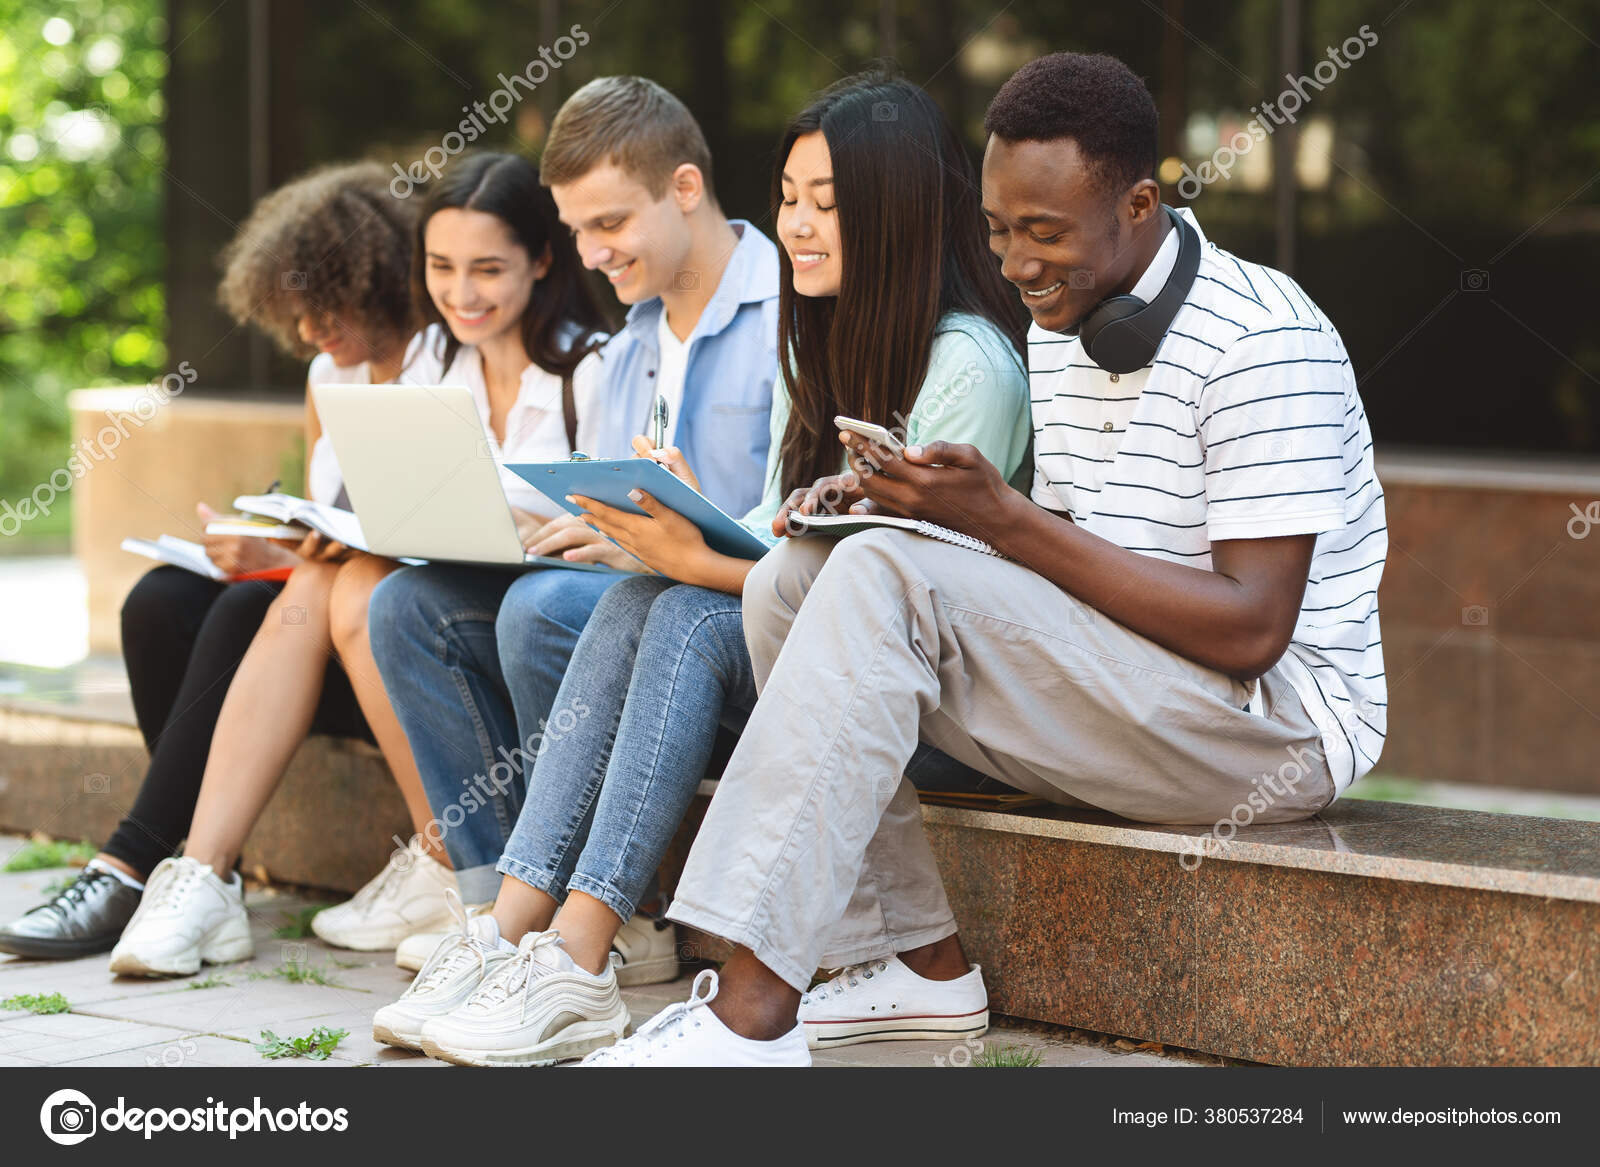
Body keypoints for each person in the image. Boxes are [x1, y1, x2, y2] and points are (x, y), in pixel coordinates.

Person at [594, 50, 1389, 1066]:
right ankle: (918, 966)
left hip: (1272, 734)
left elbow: (1248, 630)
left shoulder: (1262, 342)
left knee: (879, 571)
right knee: (799, 575)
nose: (1016, 265)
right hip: (1132, 683)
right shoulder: (1065, 322)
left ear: (1140, 204)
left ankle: (751, 1016)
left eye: (1045, 233)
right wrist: (911, 506)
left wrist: (998, 521)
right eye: (1000, 231)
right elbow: (1056, 568)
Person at [370, 72, 1033, 1067]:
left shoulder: (969, 370)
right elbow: (789, 527)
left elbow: (893, 598)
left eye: (827, 203)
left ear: (897, 211)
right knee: (642, 595)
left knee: (672, 609)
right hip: (818, 668)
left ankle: (576, 954)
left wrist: (697, 554)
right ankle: (518, 937)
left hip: (926, 707)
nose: (798, 225)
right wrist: (694, 527)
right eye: (789, 199)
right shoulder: (830, 344)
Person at [97, 152, 610, 977]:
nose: (462, 292)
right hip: (414, 609)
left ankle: (443, 866)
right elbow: (370, 509)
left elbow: (612, 525)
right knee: (311, 580)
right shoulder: (440, 362)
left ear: (542, 259)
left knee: (358, 586)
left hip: (516, 623)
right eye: (442, 268)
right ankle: (201, 871)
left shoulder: (590, 366)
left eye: (487, 269)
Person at [367, 76, 780, 977]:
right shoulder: (634, 341)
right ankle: (494, 900)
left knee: (541, 607)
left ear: (683, 188)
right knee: (410, 604)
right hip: (645, 589)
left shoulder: (788, 313)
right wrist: (598, 528)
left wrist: (656, 542)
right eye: (578, 230)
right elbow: (626, 503)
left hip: (732, 615)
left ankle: (609, 910)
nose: (591, 254)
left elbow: (794, 515)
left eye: (609, 225)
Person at [0, 162, 417, 961]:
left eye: (325, 307)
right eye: (296, 314)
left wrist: (280, 556)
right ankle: (194, 874)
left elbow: (405, 540)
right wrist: (264, 540)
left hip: (382, 651)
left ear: (378, 281)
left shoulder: (445, 362)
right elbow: (328, 518)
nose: (308, 332)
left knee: (244, 608)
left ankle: (135, 864)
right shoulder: (329, 373)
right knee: (158, 600)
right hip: (303, 632)